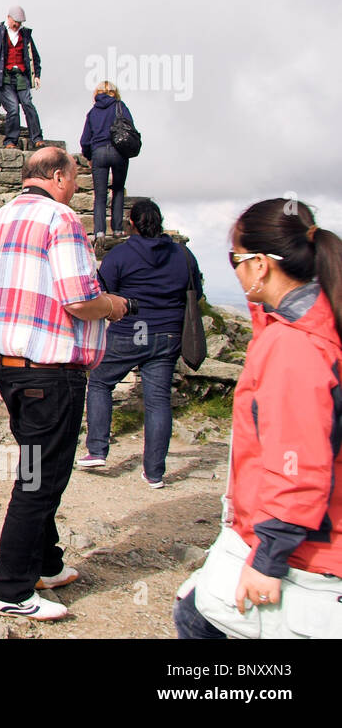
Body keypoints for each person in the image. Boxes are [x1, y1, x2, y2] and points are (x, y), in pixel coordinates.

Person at [0, 147, 128, 620]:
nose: (76, 187)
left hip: (9, 366)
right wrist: (114, 306)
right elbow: (79, 300)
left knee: (39, 468)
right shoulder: (61, 220)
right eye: (74, 177)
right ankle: (11, 589)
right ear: (58, 176)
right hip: (50, 373)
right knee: (40, 479)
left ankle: (47, 565)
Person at [174, 198, 342, 639]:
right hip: (316, 540)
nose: (233, 269)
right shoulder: (320, 318)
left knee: (197, 618)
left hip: (307, 552)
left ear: (261, 266)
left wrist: (269, 559)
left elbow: (297, 459)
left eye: (235, 259)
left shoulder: (294, 348)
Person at [79, 199, 201, 486]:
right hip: (168, 334)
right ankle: (155, 473)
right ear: (159, 221)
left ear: (131, 223)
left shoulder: (121, 255)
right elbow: (196, 291)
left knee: (99, 381)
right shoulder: (183, 255)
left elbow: (101, 292)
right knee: (158, 402)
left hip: (130, 331)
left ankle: (97, 449)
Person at [0, 5, 45, 151]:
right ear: (8, 18)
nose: (17, 25)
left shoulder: (26, 36)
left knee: (28, 104)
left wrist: (37, 75)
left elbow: (34, 57)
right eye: (15, 21)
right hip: (4, 77)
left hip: (21, 76)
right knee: (13, 108)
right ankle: (10, 140)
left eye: (20, 23)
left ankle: (37, 138)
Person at [79, 81, 133, 241]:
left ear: (97, 92)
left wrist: (88, 156)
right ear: (114, 93)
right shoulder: (120, 107)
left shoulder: (92, 112)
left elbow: (85, 139)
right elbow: (130, 128)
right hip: (119, 151)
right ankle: (117, 229)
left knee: (100, 195)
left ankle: (99, 232)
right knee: (118, 189)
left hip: (99, 152)